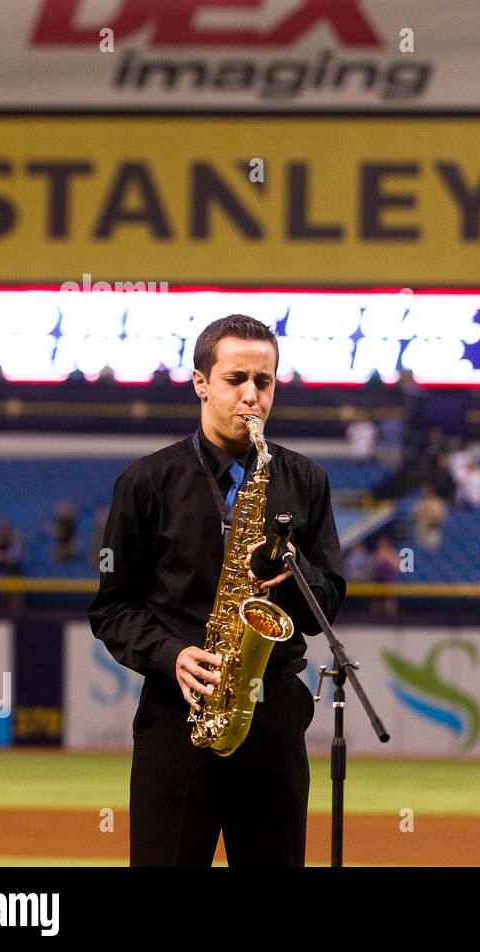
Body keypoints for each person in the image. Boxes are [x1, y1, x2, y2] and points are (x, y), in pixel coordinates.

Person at [87, 314, 346, 867]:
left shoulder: (306, 480)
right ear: (201, 382)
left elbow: (328, 602)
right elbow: (113, 608)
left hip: (272, 716)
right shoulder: (145, 482)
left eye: (265, 381)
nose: (251, 396)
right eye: (235, 380)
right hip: (178, 715)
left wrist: (296, 573)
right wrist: (171, 654)